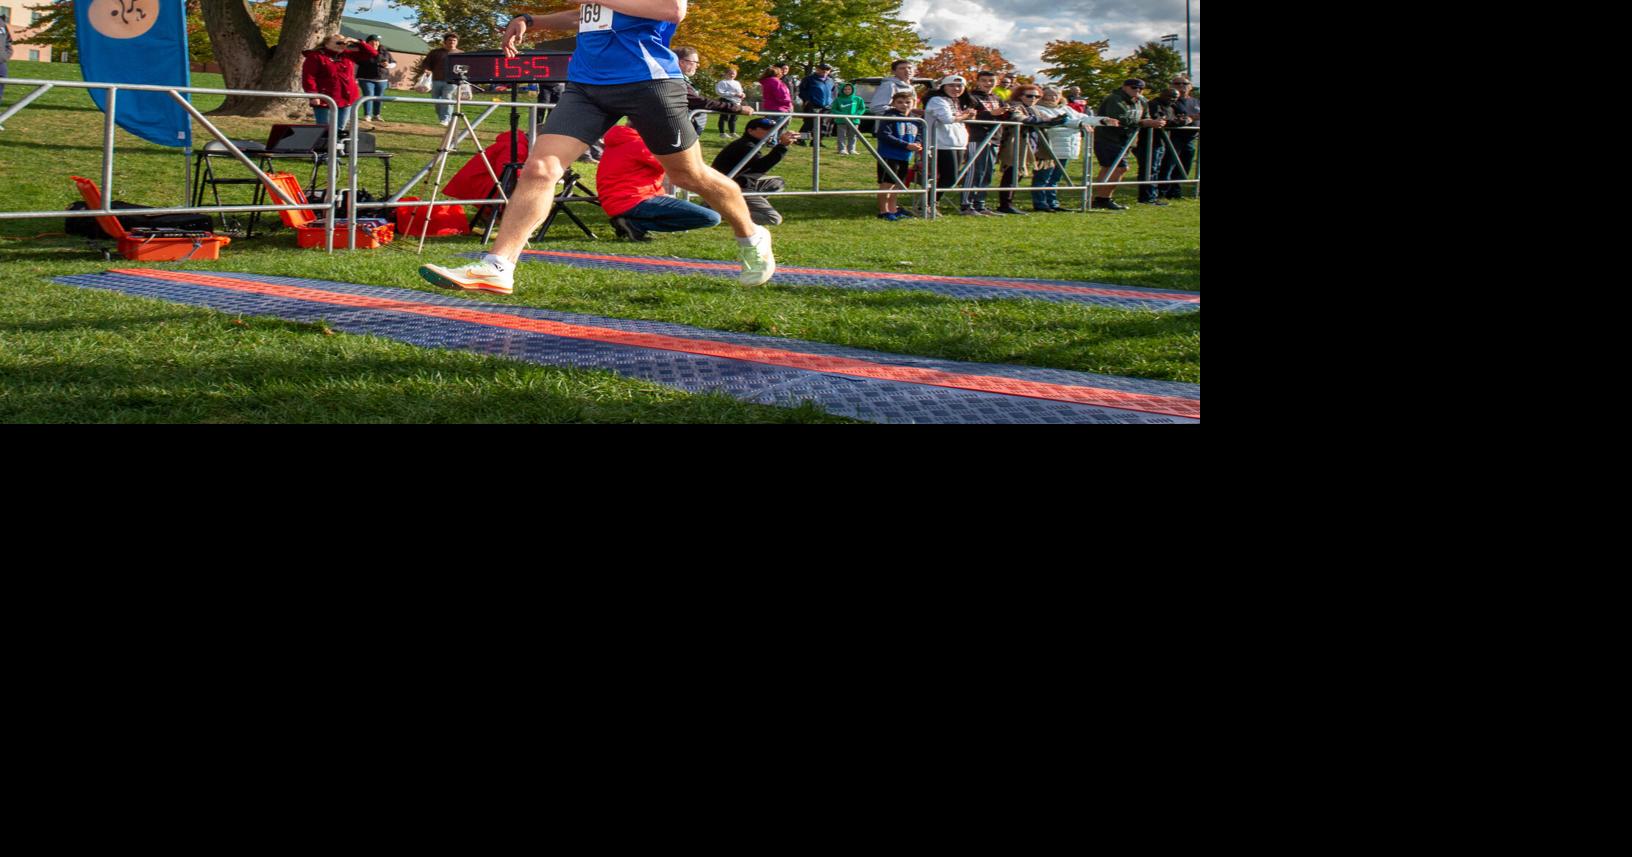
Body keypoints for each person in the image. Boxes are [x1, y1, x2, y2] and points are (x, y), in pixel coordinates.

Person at [420, 4, 775, 294]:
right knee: (539, 168)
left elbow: (672, 10)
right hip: (587, 85)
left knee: (689, 174)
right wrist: (531, 20)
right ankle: (497, 267)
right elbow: (586, 14)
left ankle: (751, 235)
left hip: (649, 82)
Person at [597, 126, 721, 241]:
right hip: (634, 201)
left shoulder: (622, 141)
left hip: (616, 201)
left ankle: (630, 223)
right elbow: (680, 166)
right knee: (711, 217)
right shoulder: (641, 145)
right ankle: (635, 225)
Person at [1029, 86, 1113, 212]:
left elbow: (1083, 117)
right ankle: (1040, 203)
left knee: (1055, 178)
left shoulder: (1066, 108)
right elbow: (1062, 122)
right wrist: (1078, 124)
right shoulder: (1038, 109)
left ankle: (1052, 203)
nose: (1053, 97)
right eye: (1049, 95)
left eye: (1056, 95)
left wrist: (1102, 120)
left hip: (1065, 146)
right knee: (1043, 177)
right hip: (1048, 147)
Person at [992, 83, 1065, 215]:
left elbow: (1045, 118)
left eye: (1037, 96)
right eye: (1029, 95)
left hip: (1030, 144)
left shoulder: (1034, 108)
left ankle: (1008, 203)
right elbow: (1019, 118)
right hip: (1014, 144)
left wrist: (1056, 120)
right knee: (1011, 174)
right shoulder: (1014, 105)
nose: (1033, 98)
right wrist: (1044, 121)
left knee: (1017, 175)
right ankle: (1005, 204)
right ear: (1020, 96)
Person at [1092, 78, 1165, 210]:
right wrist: (1143, 123)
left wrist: (1155, 122)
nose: (1137, 90)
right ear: (1124, 87)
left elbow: (1145, 116)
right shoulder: (1115, 99)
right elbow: (1118, 118)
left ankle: (1099, 198)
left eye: (1140, 88)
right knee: (1120, 168)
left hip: (1126, 139)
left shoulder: (1141, 100)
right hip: (1108, 138)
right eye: (1133, 87)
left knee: (1109, 168)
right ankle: (1103, 198)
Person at [712, 117, 799, 226]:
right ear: (750, 131)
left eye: (773, 129)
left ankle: (732, 205)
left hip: (736, 183)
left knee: (777, 182)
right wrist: (782, 146)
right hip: (731, 187)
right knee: (773, 218)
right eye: (766, 129)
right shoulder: (746, 146)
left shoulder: (748, 143)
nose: (771, 132)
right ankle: (724, 212)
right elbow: (761, 167)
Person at [963, 70, 1016, 216]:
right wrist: (992, 114)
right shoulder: (971, 97)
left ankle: (980, 204)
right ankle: (967, 204)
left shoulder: (997, 97)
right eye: (984, 80)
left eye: (991, 81)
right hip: (977, 137)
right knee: (975, 171)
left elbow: (1004, 114)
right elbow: (971, 115)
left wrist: (1009, 111)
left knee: (988, 172)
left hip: (994, 137)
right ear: (978, 82)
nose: (988, 84)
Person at [301, 33, 378, 133]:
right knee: (324, 130)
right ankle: (323, 148)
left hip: (347, 98)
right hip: (325, 99)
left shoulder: (348, 55)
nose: (342, 45)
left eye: (344, 43)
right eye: (338, 42)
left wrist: (357, 42)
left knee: (339, 130)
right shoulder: (316, 57)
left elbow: (372, 53)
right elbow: (309, 77)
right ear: (327, 43)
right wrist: (313, 95)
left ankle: (337, 148)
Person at [923, 76, 976, 212]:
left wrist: (966, 115)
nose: (956, 89)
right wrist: (965, 116)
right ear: (943, 87)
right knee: (949, 178)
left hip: (957, 142)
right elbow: (947, 119)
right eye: (951, 86)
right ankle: (927, 204)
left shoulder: (958, 102)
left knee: (952, 178)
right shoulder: (937, 100)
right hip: (941, 143)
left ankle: (931, 203)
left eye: (960, 86)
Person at [674, 46, 752, 136]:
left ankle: (732, 132)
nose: (697, 65)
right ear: (682, 62)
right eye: (695, 62)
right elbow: (698, 101)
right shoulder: (675, 82)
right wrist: (737, 108)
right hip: (679, 132)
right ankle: (722, 133)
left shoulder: (680, 80)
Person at [874, 90, 922, 220]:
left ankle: (893, 209)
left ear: (914, 103)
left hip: (905, 156)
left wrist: (917, 143)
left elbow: (919, 134)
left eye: (908, 102)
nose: (904, 105)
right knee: (887, 183)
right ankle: (884, 211)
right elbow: (884, 134)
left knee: (897, 184)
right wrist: (905, 145)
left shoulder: (914, 119)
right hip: (889, 155)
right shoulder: (889, 116)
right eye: (900, 102)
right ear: (894, 103)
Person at [1160, 76, 1200, 200]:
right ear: (1171, 86)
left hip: (1190, 138)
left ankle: (1175, 191)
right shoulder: (1170, 101)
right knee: (1169, 164)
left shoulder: (1195, 101)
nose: (1181, 85)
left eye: (1185, 83)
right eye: (1177, 83)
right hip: (1173, 137)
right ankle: (1162, 191)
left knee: (1185, 164)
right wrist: (1192, 117)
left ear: (1190, 86)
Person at [416, 33, 460, 126]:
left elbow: (465, 67)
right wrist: (426, 70)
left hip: (452, 81)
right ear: (444, 42)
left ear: (457, 42)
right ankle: (443, 118)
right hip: (436, 80)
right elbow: (426, 63)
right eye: (449, 40)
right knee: (436, 100)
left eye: (454, 40)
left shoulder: (460, 54)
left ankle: (445, 119)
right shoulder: (435, 52)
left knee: (447, 98)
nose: (452, 42)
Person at [354, 35, 395, 129]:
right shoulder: (363, 52)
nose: (374, 43)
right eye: (372, 41)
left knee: (379, 97)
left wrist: (388, 65)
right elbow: (359, 61)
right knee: (368, 95)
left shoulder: (385, 52)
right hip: (366, 78)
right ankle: (367, 115)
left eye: (376, 41)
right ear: (367, 43)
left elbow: (393, 63)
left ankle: (377, 115)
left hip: (382, 78)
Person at [798, 62, 834, 142]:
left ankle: (817, 142)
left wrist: (831, 102)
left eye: (827, 69)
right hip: (813, 105)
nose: (825, 71)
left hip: (826, 106)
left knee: (824, 124)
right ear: (818, 69)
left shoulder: (830, 80)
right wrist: (807, 100)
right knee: (809, 124)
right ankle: (801, 140)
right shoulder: (809, 79)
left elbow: (833, 92)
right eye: (822, 69)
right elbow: (801, 91)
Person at [830, 82, 866, 155]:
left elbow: (862, 108)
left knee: (853, 135)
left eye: (849, 89)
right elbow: (833, 109)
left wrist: (857, 114)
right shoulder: (838, 100)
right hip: (841, 121)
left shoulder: (858, 99)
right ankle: (842, 149)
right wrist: (841, 115)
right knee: (841, 135)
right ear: (842, 90)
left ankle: (852, 149)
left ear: (852, 90)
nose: (847, 91)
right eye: (845, 89)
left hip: (854, 121)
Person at [715, 66, 745, 137]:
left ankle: (732, 132)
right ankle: (722, 133)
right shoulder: (722, 82)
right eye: (730, 73)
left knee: (733, 118)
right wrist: (734, 94)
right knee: (724, 117)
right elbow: (719, 92)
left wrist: (743, 94)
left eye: (734, 73)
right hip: (726, 101)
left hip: (737, 102)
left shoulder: (737, 82)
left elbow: (740, 91)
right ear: (726, 74)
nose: (732, 75)